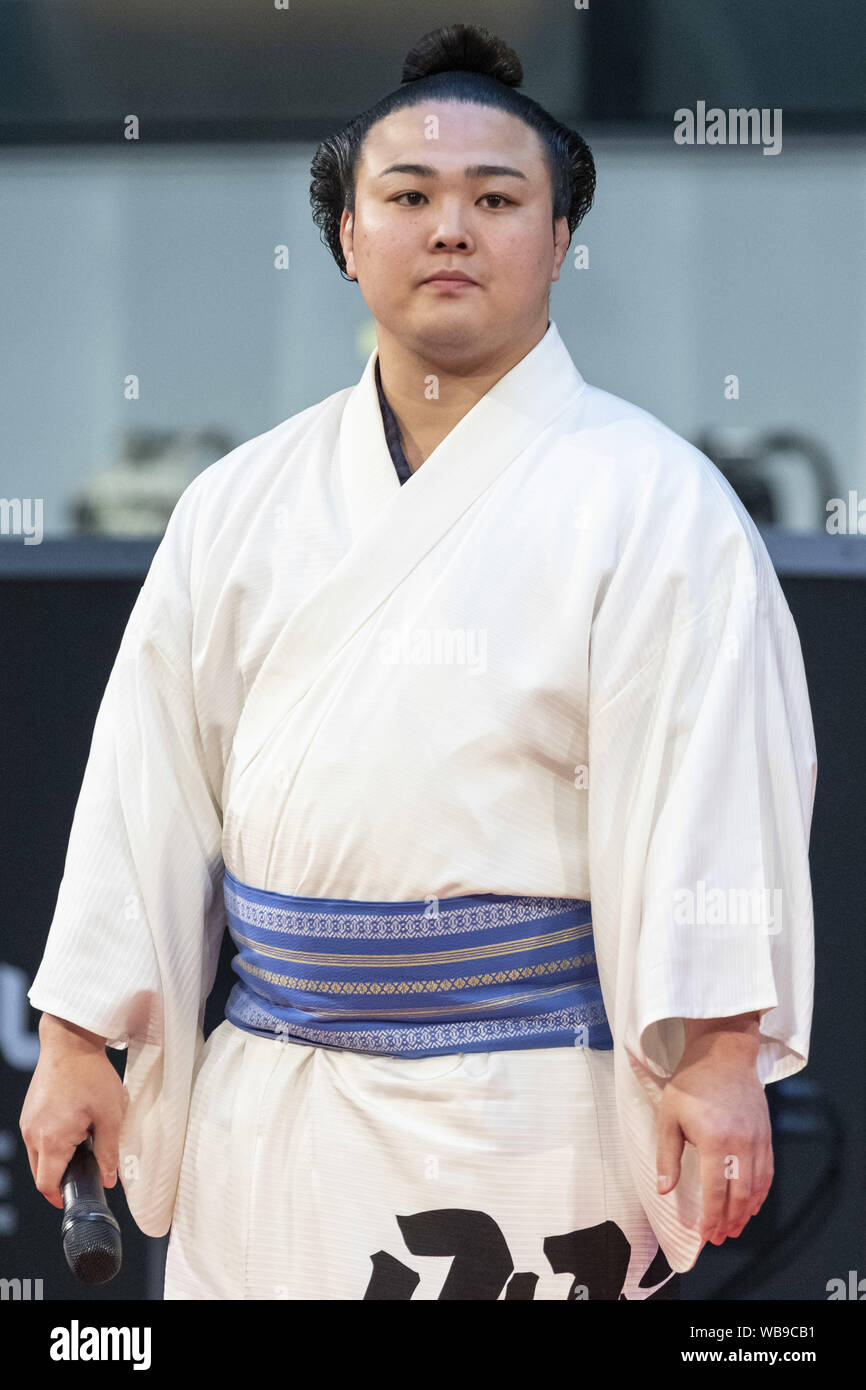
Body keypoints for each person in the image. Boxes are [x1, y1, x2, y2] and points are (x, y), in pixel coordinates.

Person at [20, 23, 816, 1300]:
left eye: (495, 199)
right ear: (346, 237)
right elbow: (141, 787)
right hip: (279, 1097)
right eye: (407, 197)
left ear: (558, 242)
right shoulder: (238, 504)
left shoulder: (656, 501)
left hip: (539, 1099)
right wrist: (75, 1038)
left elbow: (716, 793)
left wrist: (718, 1056)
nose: (450, 227)